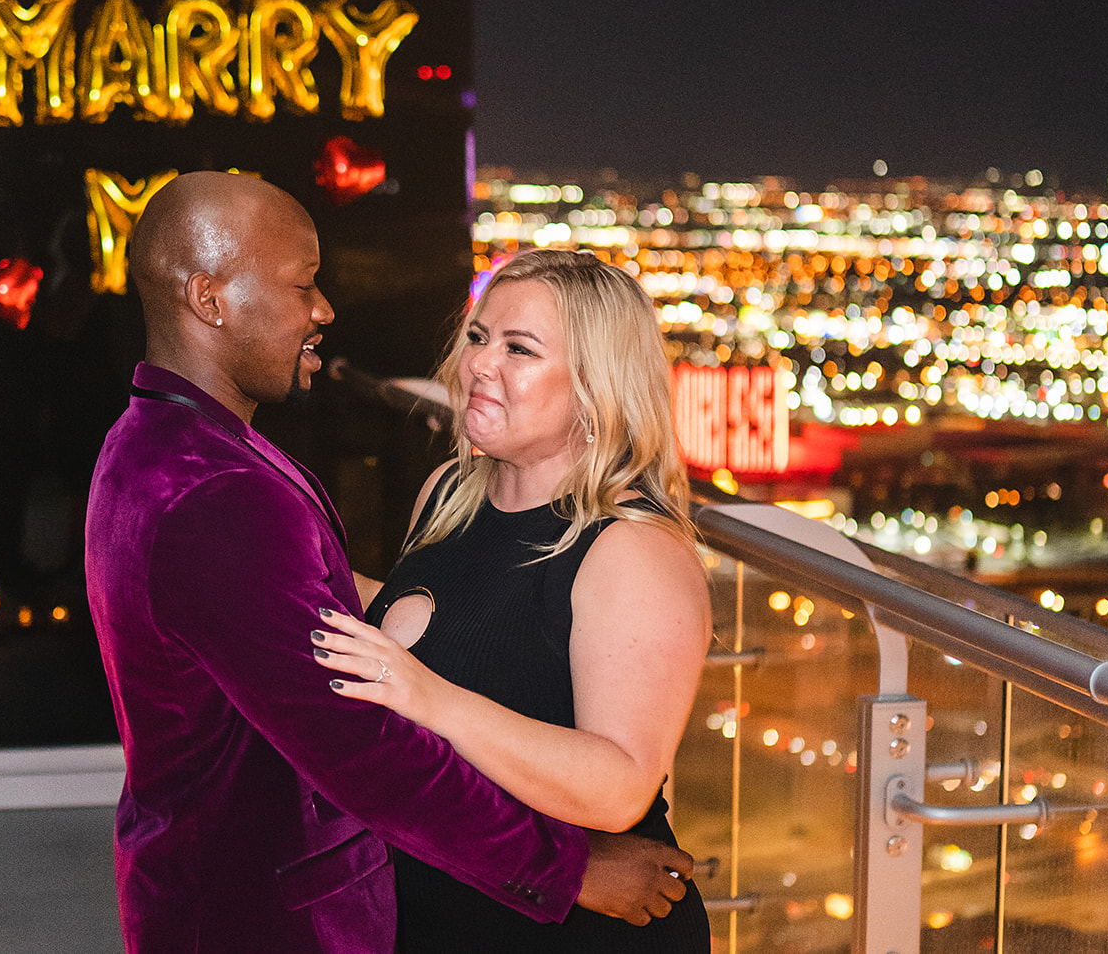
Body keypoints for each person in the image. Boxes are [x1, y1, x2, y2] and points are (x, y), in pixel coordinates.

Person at [85, 173, 694, 954]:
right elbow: (358, 744)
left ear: (595, 384)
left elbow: (322, 609)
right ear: (210, 299)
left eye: (519, 347)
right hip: (266, 908)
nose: (324, 309)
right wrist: (567, 870)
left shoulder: (171, 447)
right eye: (304, 284)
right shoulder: (225, 489)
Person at [312, 248, 714, 951]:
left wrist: (424, 695)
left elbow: (620, 785)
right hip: (445, 907)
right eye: (477, 336)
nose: (478, 366)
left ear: (596, 387)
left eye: (519, 349)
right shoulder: (449, 491)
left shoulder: (633, 550)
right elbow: (452, 622)